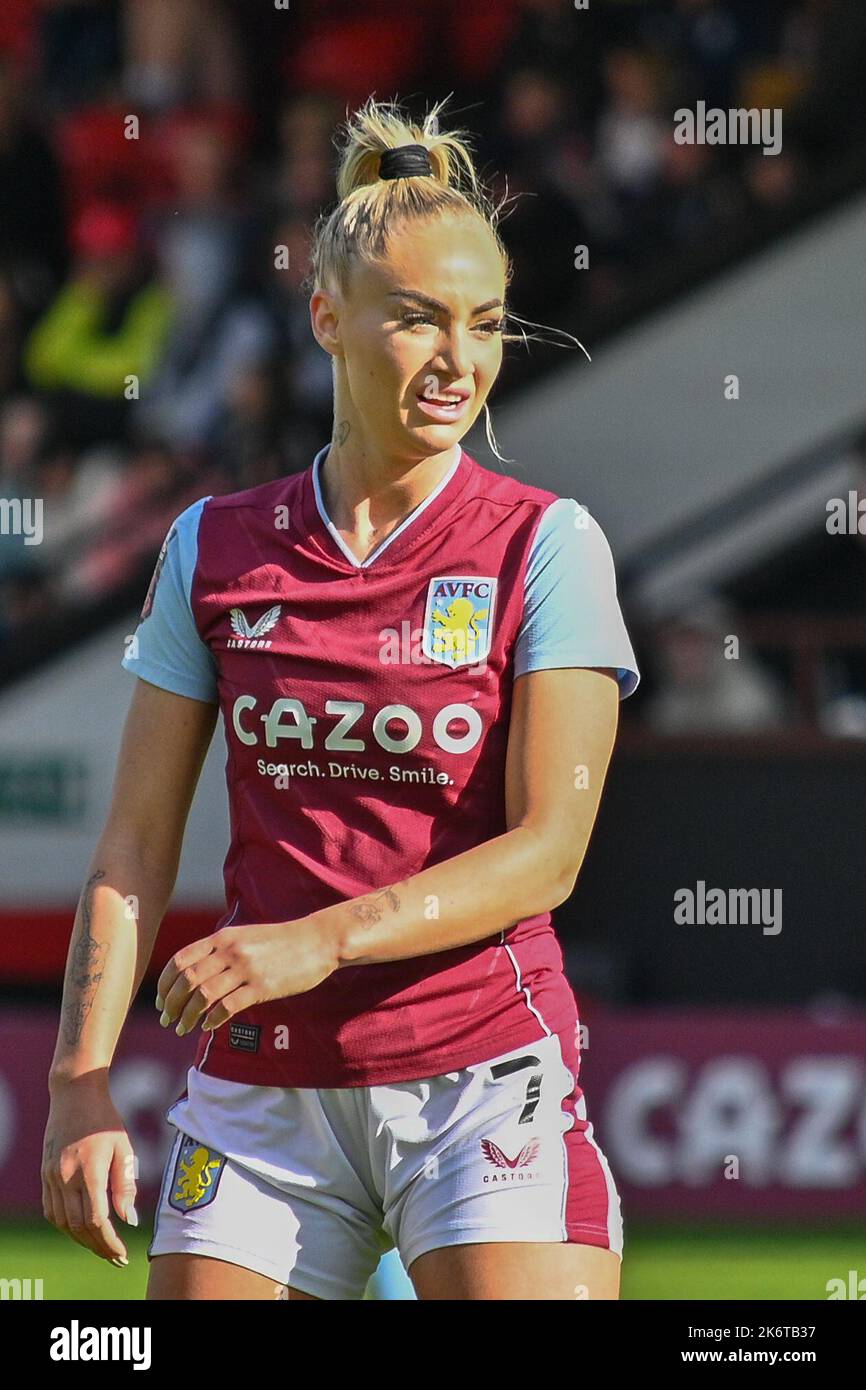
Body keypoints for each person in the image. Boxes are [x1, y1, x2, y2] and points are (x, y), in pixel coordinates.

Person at [42, 96, 641, 1301]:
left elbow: (547, 853)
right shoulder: (213, 543)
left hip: (479, 1074)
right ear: (326, 317)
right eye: (416, 319)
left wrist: (316, 941)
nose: (457, 359)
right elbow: (138, 841)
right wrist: (78, 1081)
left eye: (482, 323)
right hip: (261, 1087)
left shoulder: (548, 544)